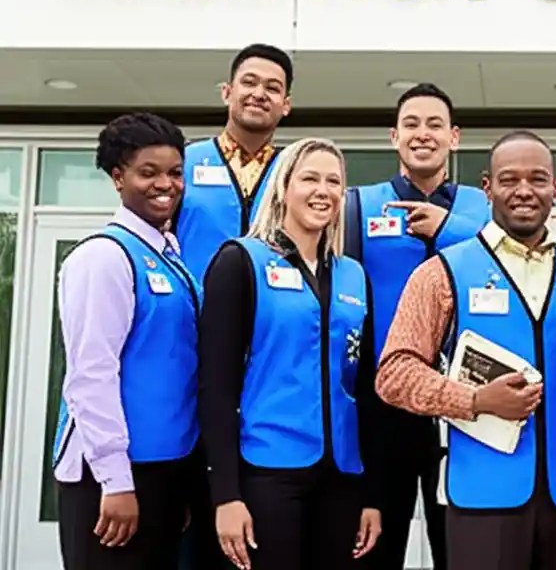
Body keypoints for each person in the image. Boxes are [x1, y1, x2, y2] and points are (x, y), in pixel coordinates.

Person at [374, 130, 556, 570]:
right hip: (482, 495)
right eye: (509, 180)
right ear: (487, 187)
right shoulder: (442, 272)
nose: (524, 191)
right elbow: (394, 374)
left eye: (538, 179)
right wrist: (474, 400)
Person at [198, 138, 382, 570]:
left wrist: (372, 495)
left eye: (333, 181)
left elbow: (367, 390)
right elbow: (216, 387)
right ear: (283, 187)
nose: (323, 190)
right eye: (310, 178)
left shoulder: (354, 276)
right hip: (267, 470)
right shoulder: (241, 261)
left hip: (342, 476)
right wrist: (225, 495)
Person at [344, 83, 489, 570]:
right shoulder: (359, 206)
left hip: (468, 403)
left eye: (433, 125)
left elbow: (511, 252)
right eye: (411, 124)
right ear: (393, 136)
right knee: (375, 546)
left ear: (454, 137)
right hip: (385, 403)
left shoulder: (482, 208)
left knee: (463, 547)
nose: (421, 134)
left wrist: (449, 227)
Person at [51, 113, 202, 570]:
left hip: (163, 472)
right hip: (112, 480)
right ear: (118, 178)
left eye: (175, 173)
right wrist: (116, 482)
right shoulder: (104, 256)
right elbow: (91, 375)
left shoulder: (171, 257)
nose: (166, 185)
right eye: (148, 173)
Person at [174, 43, 293, 282]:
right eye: (249, 82)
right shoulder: (183, 162)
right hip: (195, 311)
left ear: (286, 105)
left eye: (272, 88)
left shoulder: (293, 170)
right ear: (227, 93)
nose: (259, 94)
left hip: (270, 312)